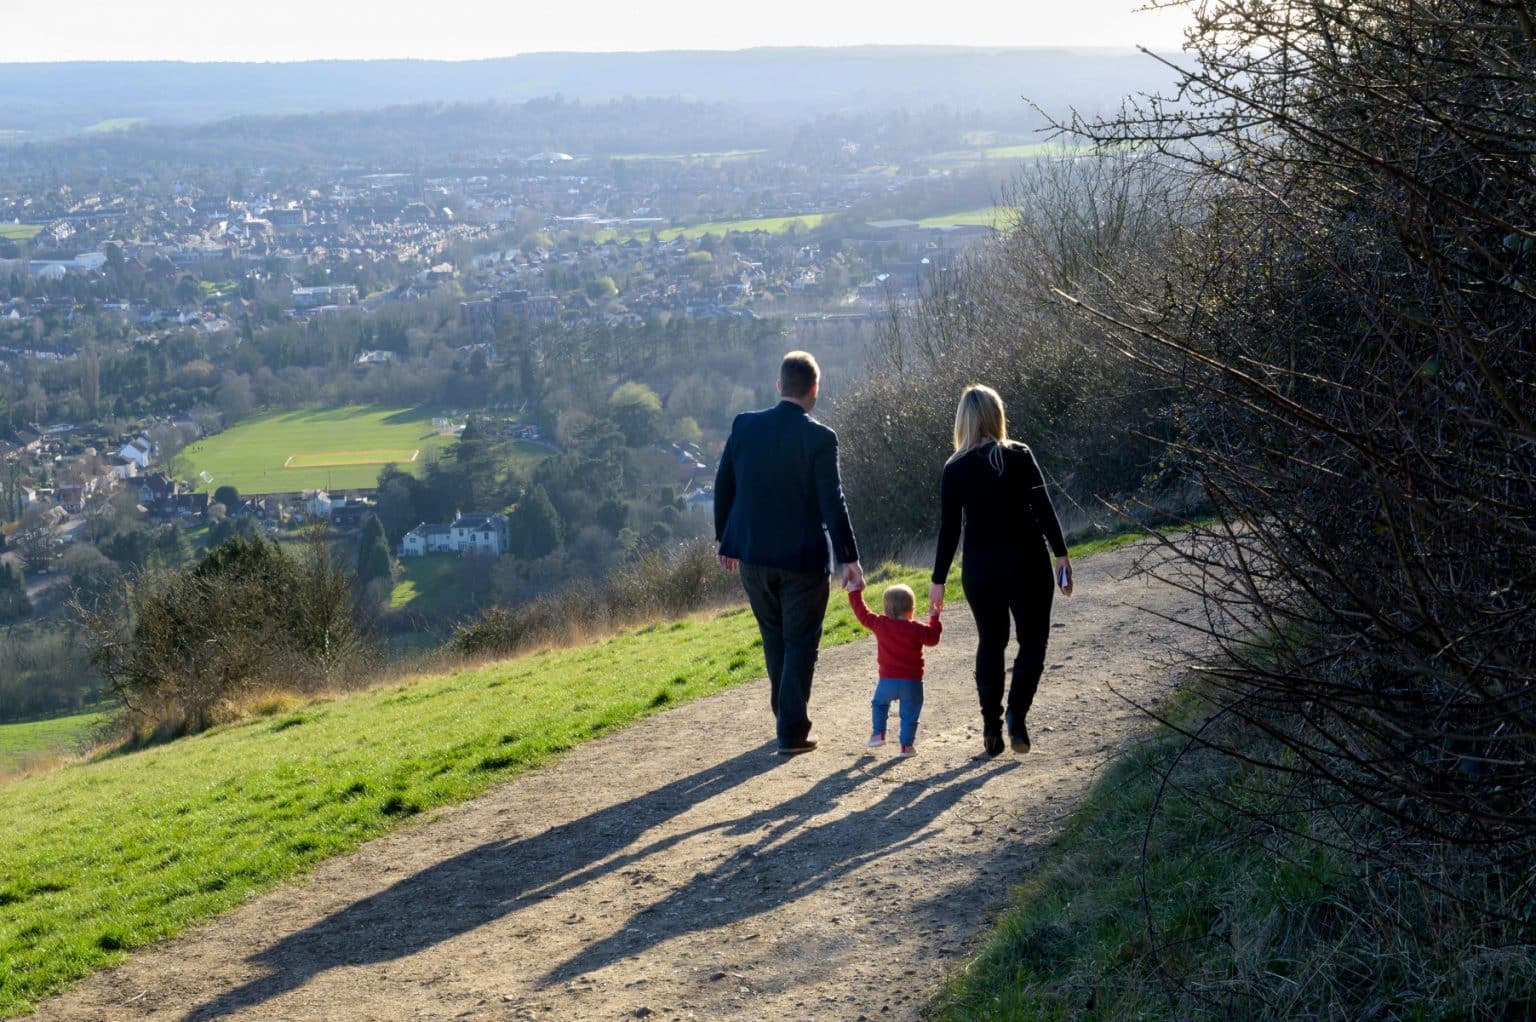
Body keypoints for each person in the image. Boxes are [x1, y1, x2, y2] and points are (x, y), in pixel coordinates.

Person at [715, 351, 864, 755]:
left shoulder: (744, 426)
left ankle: (785, 716)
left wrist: (725, 540)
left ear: (779, 386)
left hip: (753, 557)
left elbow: (724, 484)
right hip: (803, 560)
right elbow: (833, 502)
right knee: (800, 642)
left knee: (774, 639)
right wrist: (850, 559)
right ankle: (791, 731)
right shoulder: (820, 438)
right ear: (815, 390)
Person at [929, 384, 1072, 758]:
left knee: (991, 643)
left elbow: (949, 530)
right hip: (1027, 563)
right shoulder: (1020, 454)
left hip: (981, 569)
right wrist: (1061, 555)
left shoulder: (955, 467)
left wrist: (938, 581)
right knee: (1033, 642)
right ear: (997, 416)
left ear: (964, 421)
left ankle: (990, 728)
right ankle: (1016, 719)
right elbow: (1043, 509)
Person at [848, 582, 942, 757]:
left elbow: (862, 614)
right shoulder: (916, 628)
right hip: (912, 683)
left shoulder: (880, 624)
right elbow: (933, 638)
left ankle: (878, 733)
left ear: (886, 610)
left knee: (879, 703)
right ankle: (906, 747)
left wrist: (854, 591)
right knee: (909, 715)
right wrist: (934, 617)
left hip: (887, 682)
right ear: (912, 609)